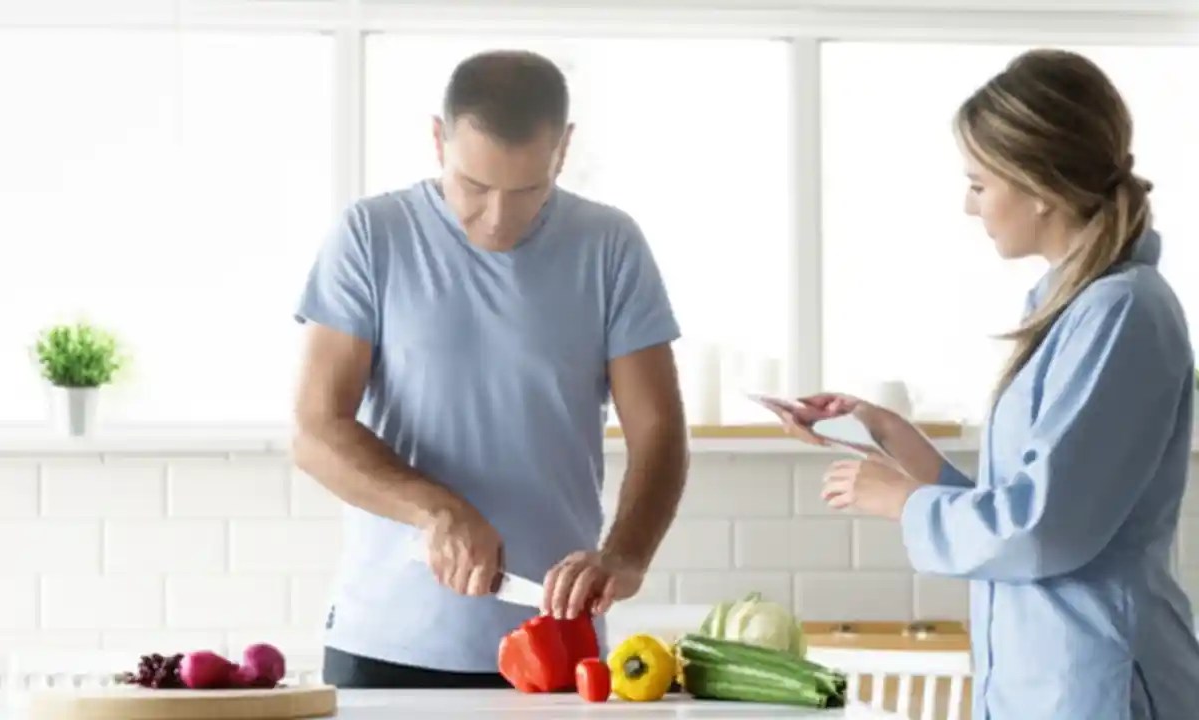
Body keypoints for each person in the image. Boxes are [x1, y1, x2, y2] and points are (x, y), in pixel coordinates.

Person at [774, 49, 1199, 719]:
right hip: (1045, 681)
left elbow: (1043, 531)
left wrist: (903, 503)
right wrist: (894, 438)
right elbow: (1022, 509)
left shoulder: (1121, 313)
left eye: (978, 183)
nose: (970, 207)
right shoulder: (1075, 307)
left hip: (1099, 682)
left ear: (1038, 184)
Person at [289, 49, 689, 688]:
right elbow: (315, 430)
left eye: (529, 190)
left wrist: (627, 553)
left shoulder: (610, 245)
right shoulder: (370, 235)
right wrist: (435, 510)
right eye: (473, 187)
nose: (498, 219)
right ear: (437, 139)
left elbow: (660, 432)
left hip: (558, 650)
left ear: (564, 150)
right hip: (385, 642)